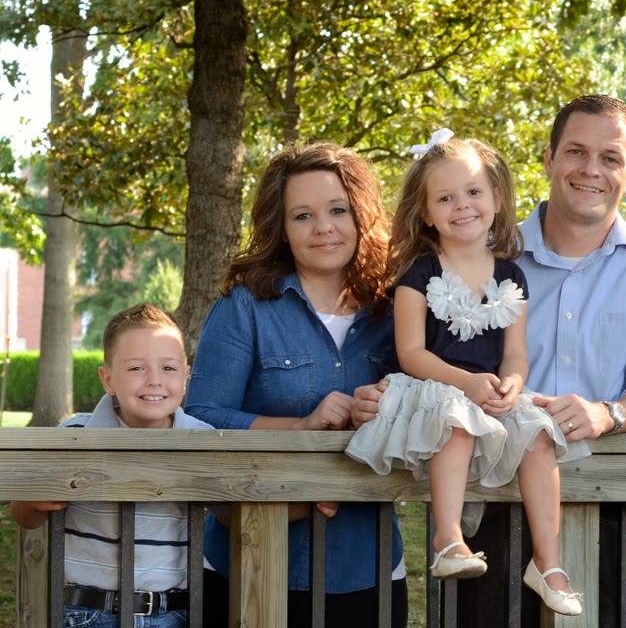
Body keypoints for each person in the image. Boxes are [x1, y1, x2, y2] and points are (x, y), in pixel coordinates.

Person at [354, 94, 626, 626]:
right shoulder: (481, 252)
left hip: (603, 505)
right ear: (549, 159)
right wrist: (375, 394)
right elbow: (403, 352)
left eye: (610, 158)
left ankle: (551, 563)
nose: (591, 169)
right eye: (575, 152)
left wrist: (610, 414)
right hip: (484, 503)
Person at [346, 130, 588, 616]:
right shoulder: (419, 274)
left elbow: (515, 354)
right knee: (456, 424)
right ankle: (448, 540)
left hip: (488, 390)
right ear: (425, 212)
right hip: (434, 387)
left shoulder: (511, 276)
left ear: (497, 198)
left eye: (474, 192)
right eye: (445, 197)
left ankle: (548, 563)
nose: (463, 206)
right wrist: (467, 384)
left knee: (540, 436)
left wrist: (512, 384)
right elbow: (412, 353)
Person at [183, 143, 407, 627]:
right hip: (254, 562)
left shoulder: (397, 311)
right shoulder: (244, 308)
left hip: (368, 565)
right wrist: (300, 425)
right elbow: (198, 418)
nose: (323, 227)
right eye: (302, 215)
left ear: (362, 215)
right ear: (281, 230)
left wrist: (394, 410)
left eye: (337, 210)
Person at [11, 303, 212, 627]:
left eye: (169, 369)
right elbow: (24, 515)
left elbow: (231, 511)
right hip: (88, 611)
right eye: (136, 369)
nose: (154, 381)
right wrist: (34, 502)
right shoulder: (74, 436)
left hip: (174, 612)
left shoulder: (203, 440)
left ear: (186, 376)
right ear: (108, 379)